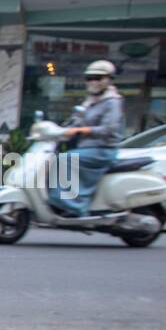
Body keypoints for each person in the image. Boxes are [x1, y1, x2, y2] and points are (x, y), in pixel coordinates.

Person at [53, 60, 125, 217]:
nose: (93, 81)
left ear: (108, 79)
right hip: (87, 148)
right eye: (90, 78)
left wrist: (83, 129)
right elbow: (75, 121)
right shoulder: (91, 101)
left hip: (103, 149)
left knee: (64, 159)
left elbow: (109, 128)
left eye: (98, 78)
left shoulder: (112, 101)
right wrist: (58, 129)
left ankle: (73, 205)